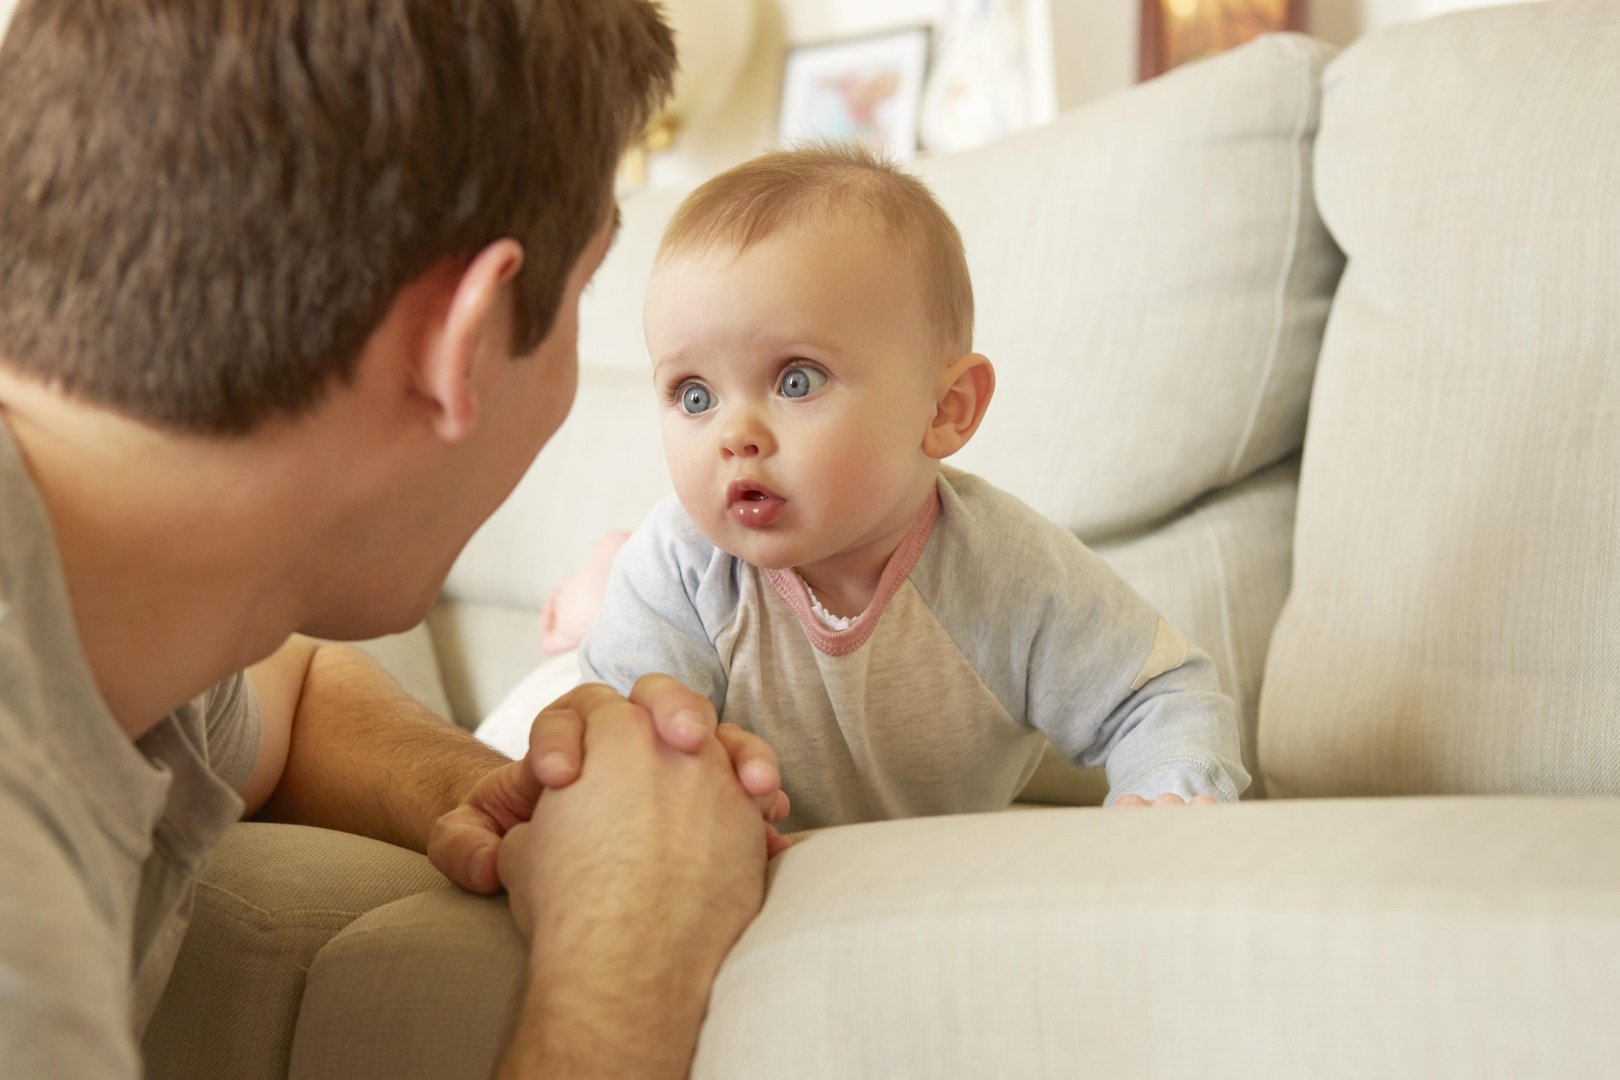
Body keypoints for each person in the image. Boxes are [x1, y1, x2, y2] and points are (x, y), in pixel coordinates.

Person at [0, 2, 787, 1078]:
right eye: (588, 289)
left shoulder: (129, 607)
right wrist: (630, 943)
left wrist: (501, 796)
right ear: (456, 344)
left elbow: (296, 691)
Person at [579, 144, 1251, 830]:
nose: (734, 434)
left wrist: (1171, 789)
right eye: (694, 396)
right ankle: (595, 588)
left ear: (945, 410)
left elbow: (1158, 693)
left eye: (797, 380)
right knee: (603, 640)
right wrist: (691, 785)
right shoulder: (680, 569)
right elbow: (629, 743)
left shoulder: (1007, 570)